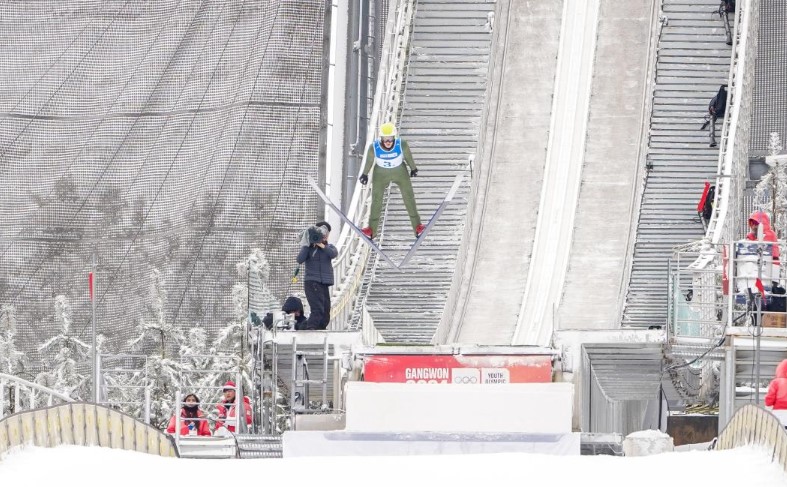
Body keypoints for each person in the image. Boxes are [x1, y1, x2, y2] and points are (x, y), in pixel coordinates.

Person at [359, 122, 425, 240]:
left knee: (409, 197)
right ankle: (372, 230)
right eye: (385, 139)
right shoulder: (374, 147)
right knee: (376, 201)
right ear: (381, 138)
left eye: (390, 139)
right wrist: (365, 173)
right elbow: (369, 161)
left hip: (400, 172)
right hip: (381, 174)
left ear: (394, 137)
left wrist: (413, 168)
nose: (388, 142)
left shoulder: (401, 144)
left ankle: (417, 226)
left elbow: (408, 156)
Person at [296, 221, 337, 330]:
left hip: (324, 283)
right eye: (321, 232)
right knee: (317, 310)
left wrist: (322, 245)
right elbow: (300, 259)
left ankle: (310, 329)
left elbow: (333, 254)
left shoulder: (329, 247)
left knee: (325, 313)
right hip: (312, 281)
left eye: (326, 232)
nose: (324, 235)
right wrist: (307, 244)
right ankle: (311, 330)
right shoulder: (309, 248)